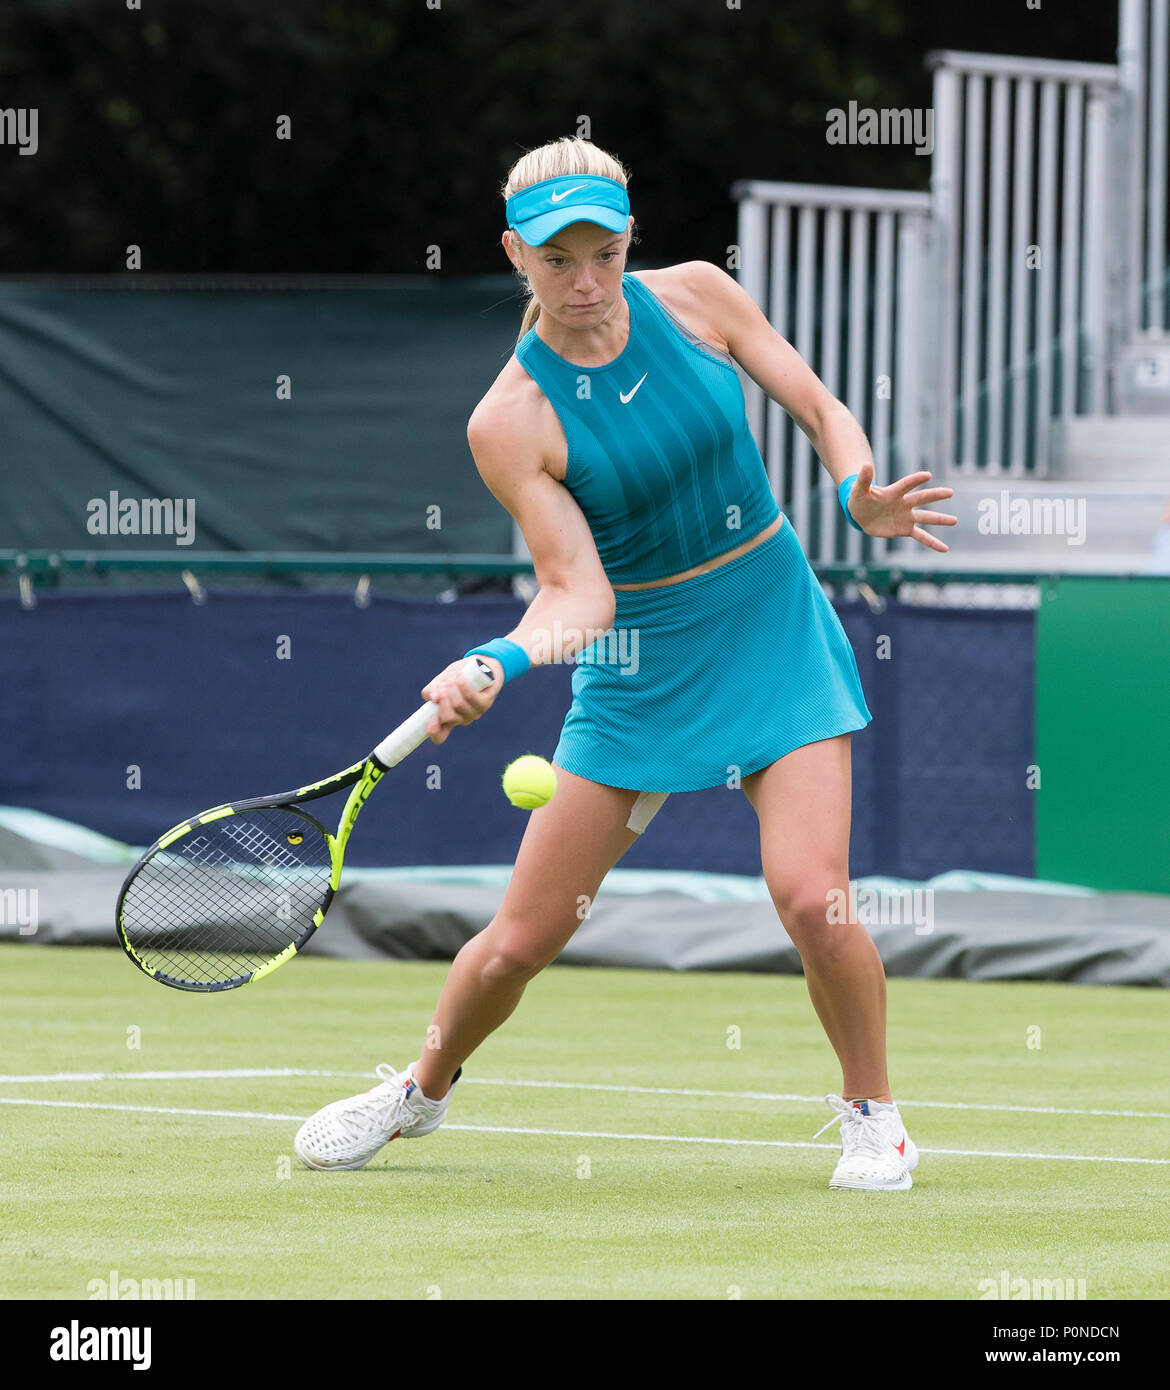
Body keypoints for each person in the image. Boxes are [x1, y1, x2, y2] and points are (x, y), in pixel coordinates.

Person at [295, 136, 956, 1190]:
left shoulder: (697, 298)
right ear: (516, 254)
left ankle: (875, 1116)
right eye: (558, 260)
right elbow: (580, 595)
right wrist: (501, 658)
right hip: (638, 665)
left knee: (810, 896)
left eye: (603, 253)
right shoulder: (509, 421)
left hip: (770, 624)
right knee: (518, 944)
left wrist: (856, 489)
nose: (587, 283)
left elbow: (820, 409)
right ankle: (419, 1090)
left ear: (630, 237)